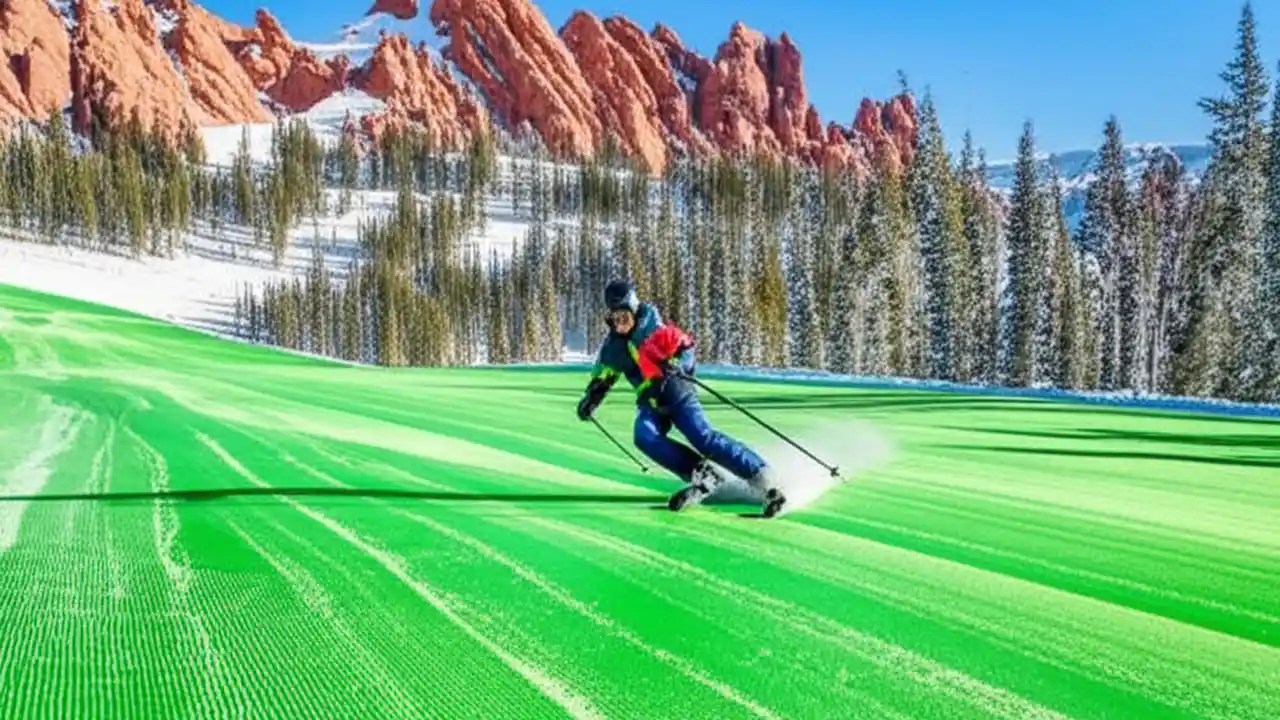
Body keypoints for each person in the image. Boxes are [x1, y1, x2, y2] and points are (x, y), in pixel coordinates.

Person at [576, 279, 786, 517]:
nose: (620, 324)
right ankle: (704, 474)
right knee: (644, 436)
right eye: (615, 319)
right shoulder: (613, 348)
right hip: (651, 399)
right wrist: (592, 397)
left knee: (702, 436)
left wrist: (679, 364)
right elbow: (604, 374)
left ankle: (764, 479)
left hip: (677, 390)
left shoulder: (656, 329)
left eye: (625, 317)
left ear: (635, 312)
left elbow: (686, 349)